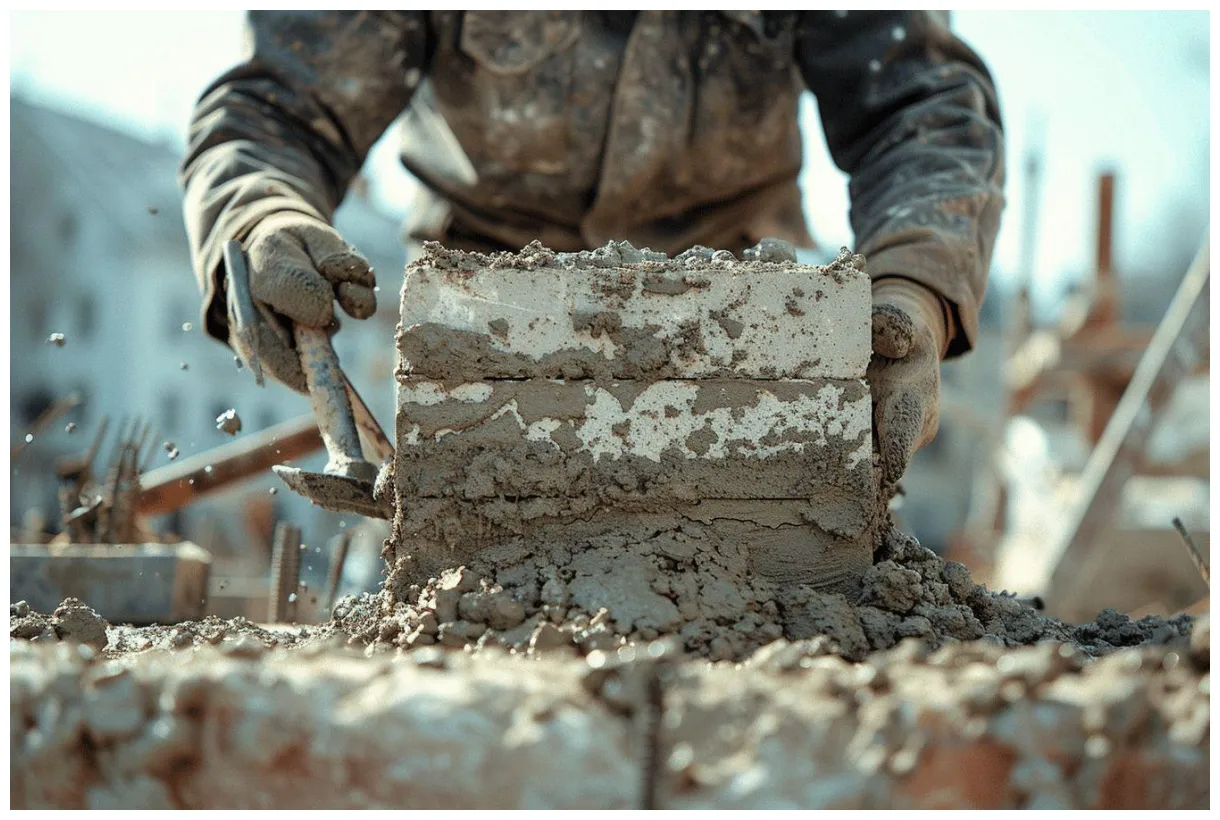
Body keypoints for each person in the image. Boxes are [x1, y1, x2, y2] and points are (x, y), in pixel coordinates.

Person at [180, 11, 1004, 493]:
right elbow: (276, 108)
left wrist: (913, 290)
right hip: (478, 368)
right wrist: (257, 217)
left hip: (752, 363)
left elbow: (920, 106)